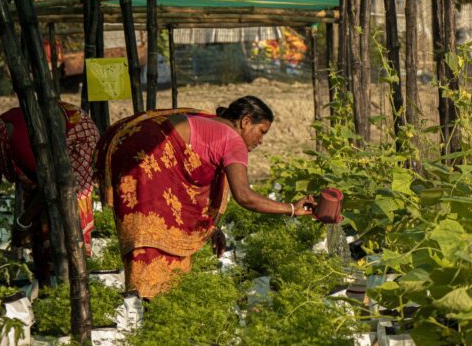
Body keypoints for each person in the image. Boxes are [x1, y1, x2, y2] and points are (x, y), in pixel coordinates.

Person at [95, 96, 316, 299]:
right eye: (262, 132)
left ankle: (147, 308)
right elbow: (245, 196)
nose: (261, 141)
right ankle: (152, 306)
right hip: (147, 161)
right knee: (157, 243)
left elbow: (183, 195)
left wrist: (209, 227)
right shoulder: (233, 139)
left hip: (132, 152)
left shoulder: (214, 126)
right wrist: (291, 209)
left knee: (150, 239)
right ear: (246, 121)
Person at [0, 102, 99, 283]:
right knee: (37, 215)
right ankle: (46, 274)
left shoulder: (21, 147)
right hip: (46, 151)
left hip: (76, 136)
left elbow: (48, 185)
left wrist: (23, 224)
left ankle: (68, 272)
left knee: (62, 206)